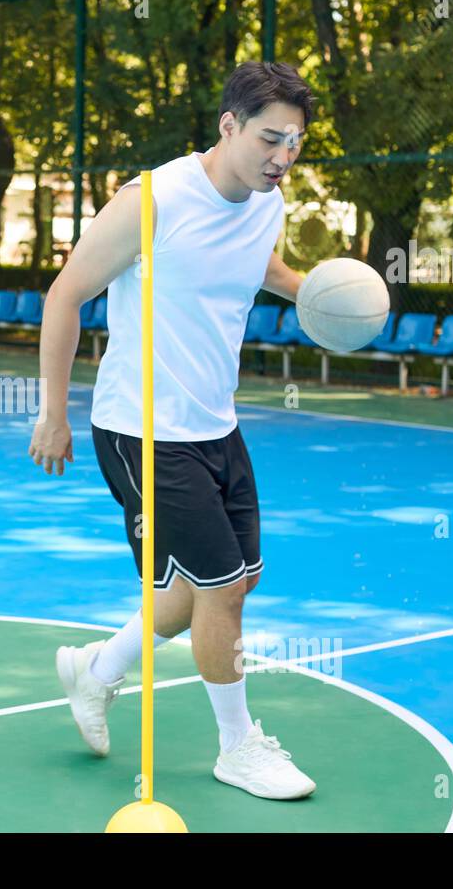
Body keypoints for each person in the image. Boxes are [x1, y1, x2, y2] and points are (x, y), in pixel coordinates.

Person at [28, 61, 318, 800]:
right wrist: (52, 412)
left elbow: (260, 263)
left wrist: (314, 290)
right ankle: (236, 747)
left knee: (230, 580)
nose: (282, 156)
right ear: (228, 126)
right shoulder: (152, 200)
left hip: (213, 422)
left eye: (295, 142)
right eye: (269, 138)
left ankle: (94, 672)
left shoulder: (266, 202)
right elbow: (65, 296)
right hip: (139, 428)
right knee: (222, 591)